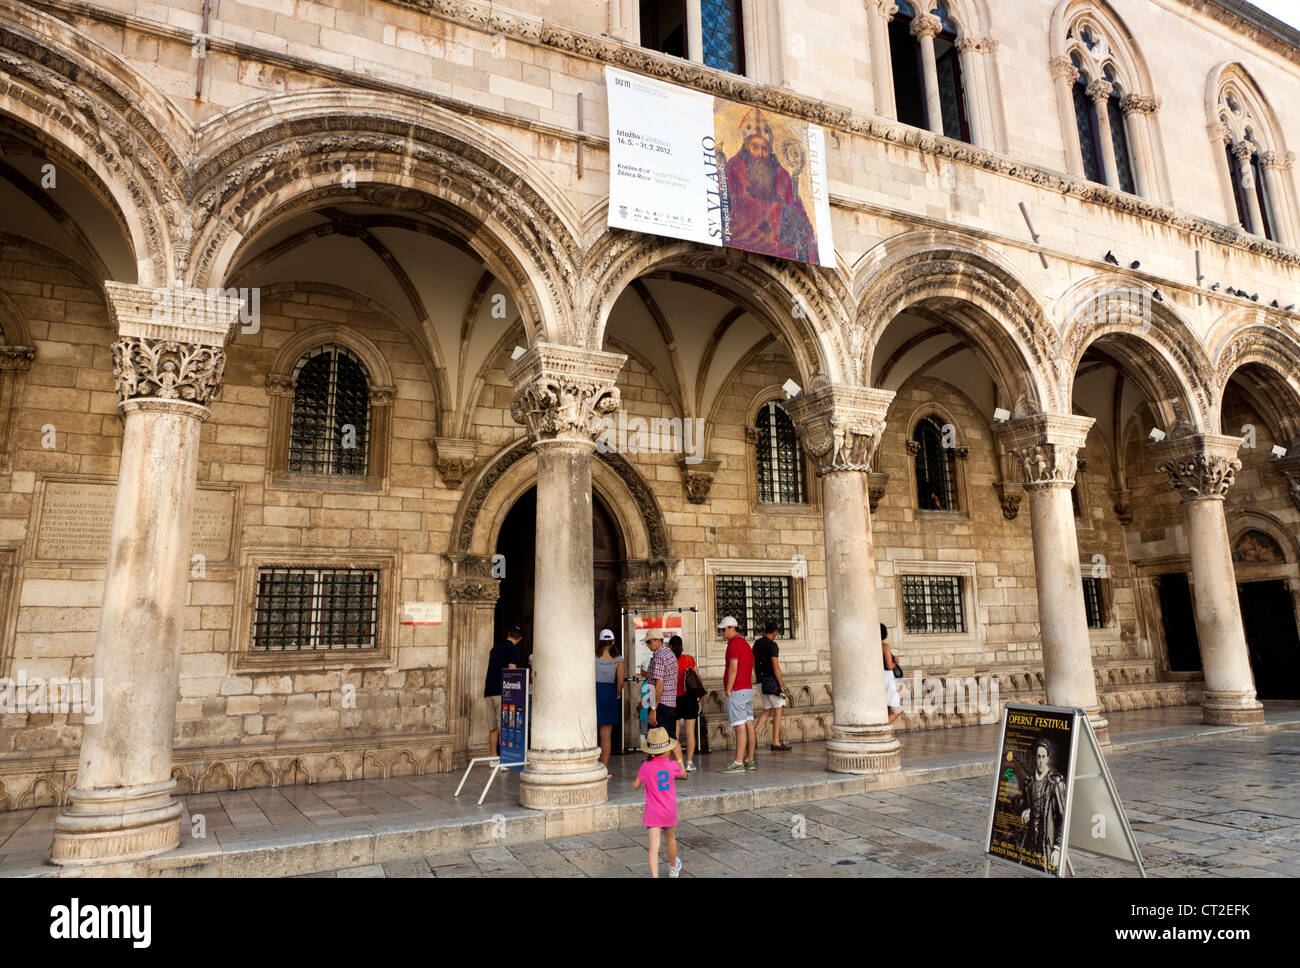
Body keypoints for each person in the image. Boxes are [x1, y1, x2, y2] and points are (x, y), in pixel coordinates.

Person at [722, 108, 819, 263]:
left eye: (764, 149)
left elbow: (794, 208)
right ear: (746, 147)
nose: (760, 154)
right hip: (742, 239)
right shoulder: (734, 167)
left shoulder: (782, 175)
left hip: (776, 246)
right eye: (755, 147)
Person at [633, 726, 685, 878]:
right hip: (668, 811)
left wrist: (643, 779)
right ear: (668, 749)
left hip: (653, 813)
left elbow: (635, 785)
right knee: (670, 839)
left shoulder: (645, 767)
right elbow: (683, 773)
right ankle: (673, 868)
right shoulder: (671, 765)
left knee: (653, 848)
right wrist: (679, 758)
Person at [1014, 738, 1067, 872]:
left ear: (1048, 758)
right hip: (1030, 843)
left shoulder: (1055, 783)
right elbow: (1026, 805)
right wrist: (1025, 812)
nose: (1041, 760)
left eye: (1043, 757)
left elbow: (1063, 817)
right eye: (1038, 756)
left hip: (1046, 844)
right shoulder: (1029, 784)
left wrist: (1058, 848)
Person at [717, 617, 756, 773]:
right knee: (749, 724)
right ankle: (749, 759)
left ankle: (738, 762)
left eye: (723, 630)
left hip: (737, 691)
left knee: (739, 726)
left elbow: (733, 668)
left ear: (731, 628)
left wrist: (728, 689)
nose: (722, 633)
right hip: (747, 689)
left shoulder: (734, 645)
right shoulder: (746, 645)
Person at [753, 620, 791, 751]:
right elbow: (775, 666)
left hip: (760, 681)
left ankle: (753, 734)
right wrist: (781, 685)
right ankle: (775, 742)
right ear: (774, 632)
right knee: (778, 707)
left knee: (768, 708)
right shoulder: (773, 645)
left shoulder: (757, 644)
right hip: (770, 682)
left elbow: (754, 664)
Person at [484, 626, 521, 755]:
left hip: (489, 691)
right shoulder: (512, 648)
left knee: (493, 728)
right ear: (520, 638)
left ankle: (493, 758)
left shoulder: (495, 648)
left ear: (509, 633)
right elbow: (511, 669)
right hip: (503, 692)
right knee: (505, 728)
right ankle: (504, 759)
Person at [646, 630, 679, 763]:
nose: (647, 645)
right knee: (671, 739)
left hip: (661, 704)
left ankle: (661, 768)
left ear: (656, 640)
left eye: (649, 642)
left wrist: (653, 708)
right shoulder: (670, 654)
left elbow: (659, 684)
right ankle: (681, 769)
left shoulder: (659, 656)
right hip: (671, 702)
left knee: (659, 741)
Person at [595, 628, 625, 778]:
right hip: (608, 693)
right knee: (606, 735)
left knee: (591, 732)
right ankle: (604, 768)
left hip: (594, 692)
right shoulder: (618, 660)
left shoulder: (593, 657)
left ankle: (589, 767)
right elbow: (620, 682)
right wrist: (617, 695)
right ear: (613, 641)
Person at [670, 635, 699, 772]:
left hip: (673, 699)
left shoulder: (668, 661)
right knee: (690, 732)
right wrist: (701, 696)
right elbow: (697, 678)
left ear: (670, 647)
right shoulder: (689, 659)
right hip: (690, 698)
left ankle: (678, 762)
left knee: (674, 733)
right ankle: (689, 762)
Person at [881, 623, 902, 725]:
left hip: (880, 677)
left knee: (887, 709)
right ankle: (882, 729)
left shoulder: (873, 647)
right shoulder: (885, 646)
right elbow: (889, 666)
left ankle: (887, 735)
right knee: (897, 710)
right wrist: (896, 662)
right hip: (888, 678)